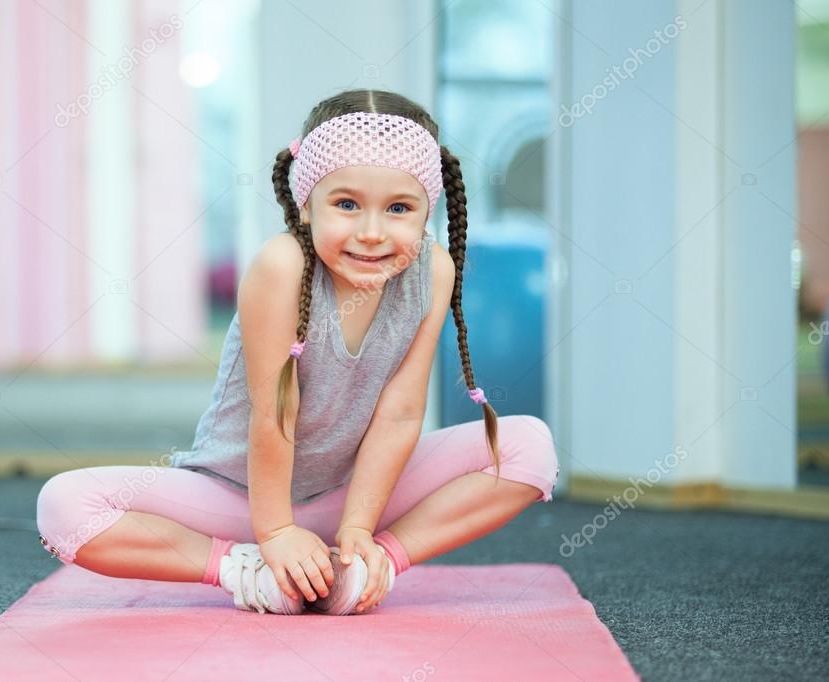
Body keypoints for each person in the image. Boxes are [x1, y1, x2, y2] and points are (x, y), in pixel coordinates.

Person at [36, 89, 559, 617]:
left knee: (527, 448)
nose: (372, 232)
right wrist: (277, 531)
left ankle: (364, 566)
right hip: (239, 499)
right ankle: (247, 569)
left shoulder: (434, 269)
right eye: (346, 204)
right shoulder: (282, 266)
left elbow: (401, 413)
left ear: (428, 212)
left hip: (354, 495)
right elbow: (274, 413)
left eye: (398, 208)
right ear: (306, 205)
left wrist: (359, 527)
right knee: (64, 507)